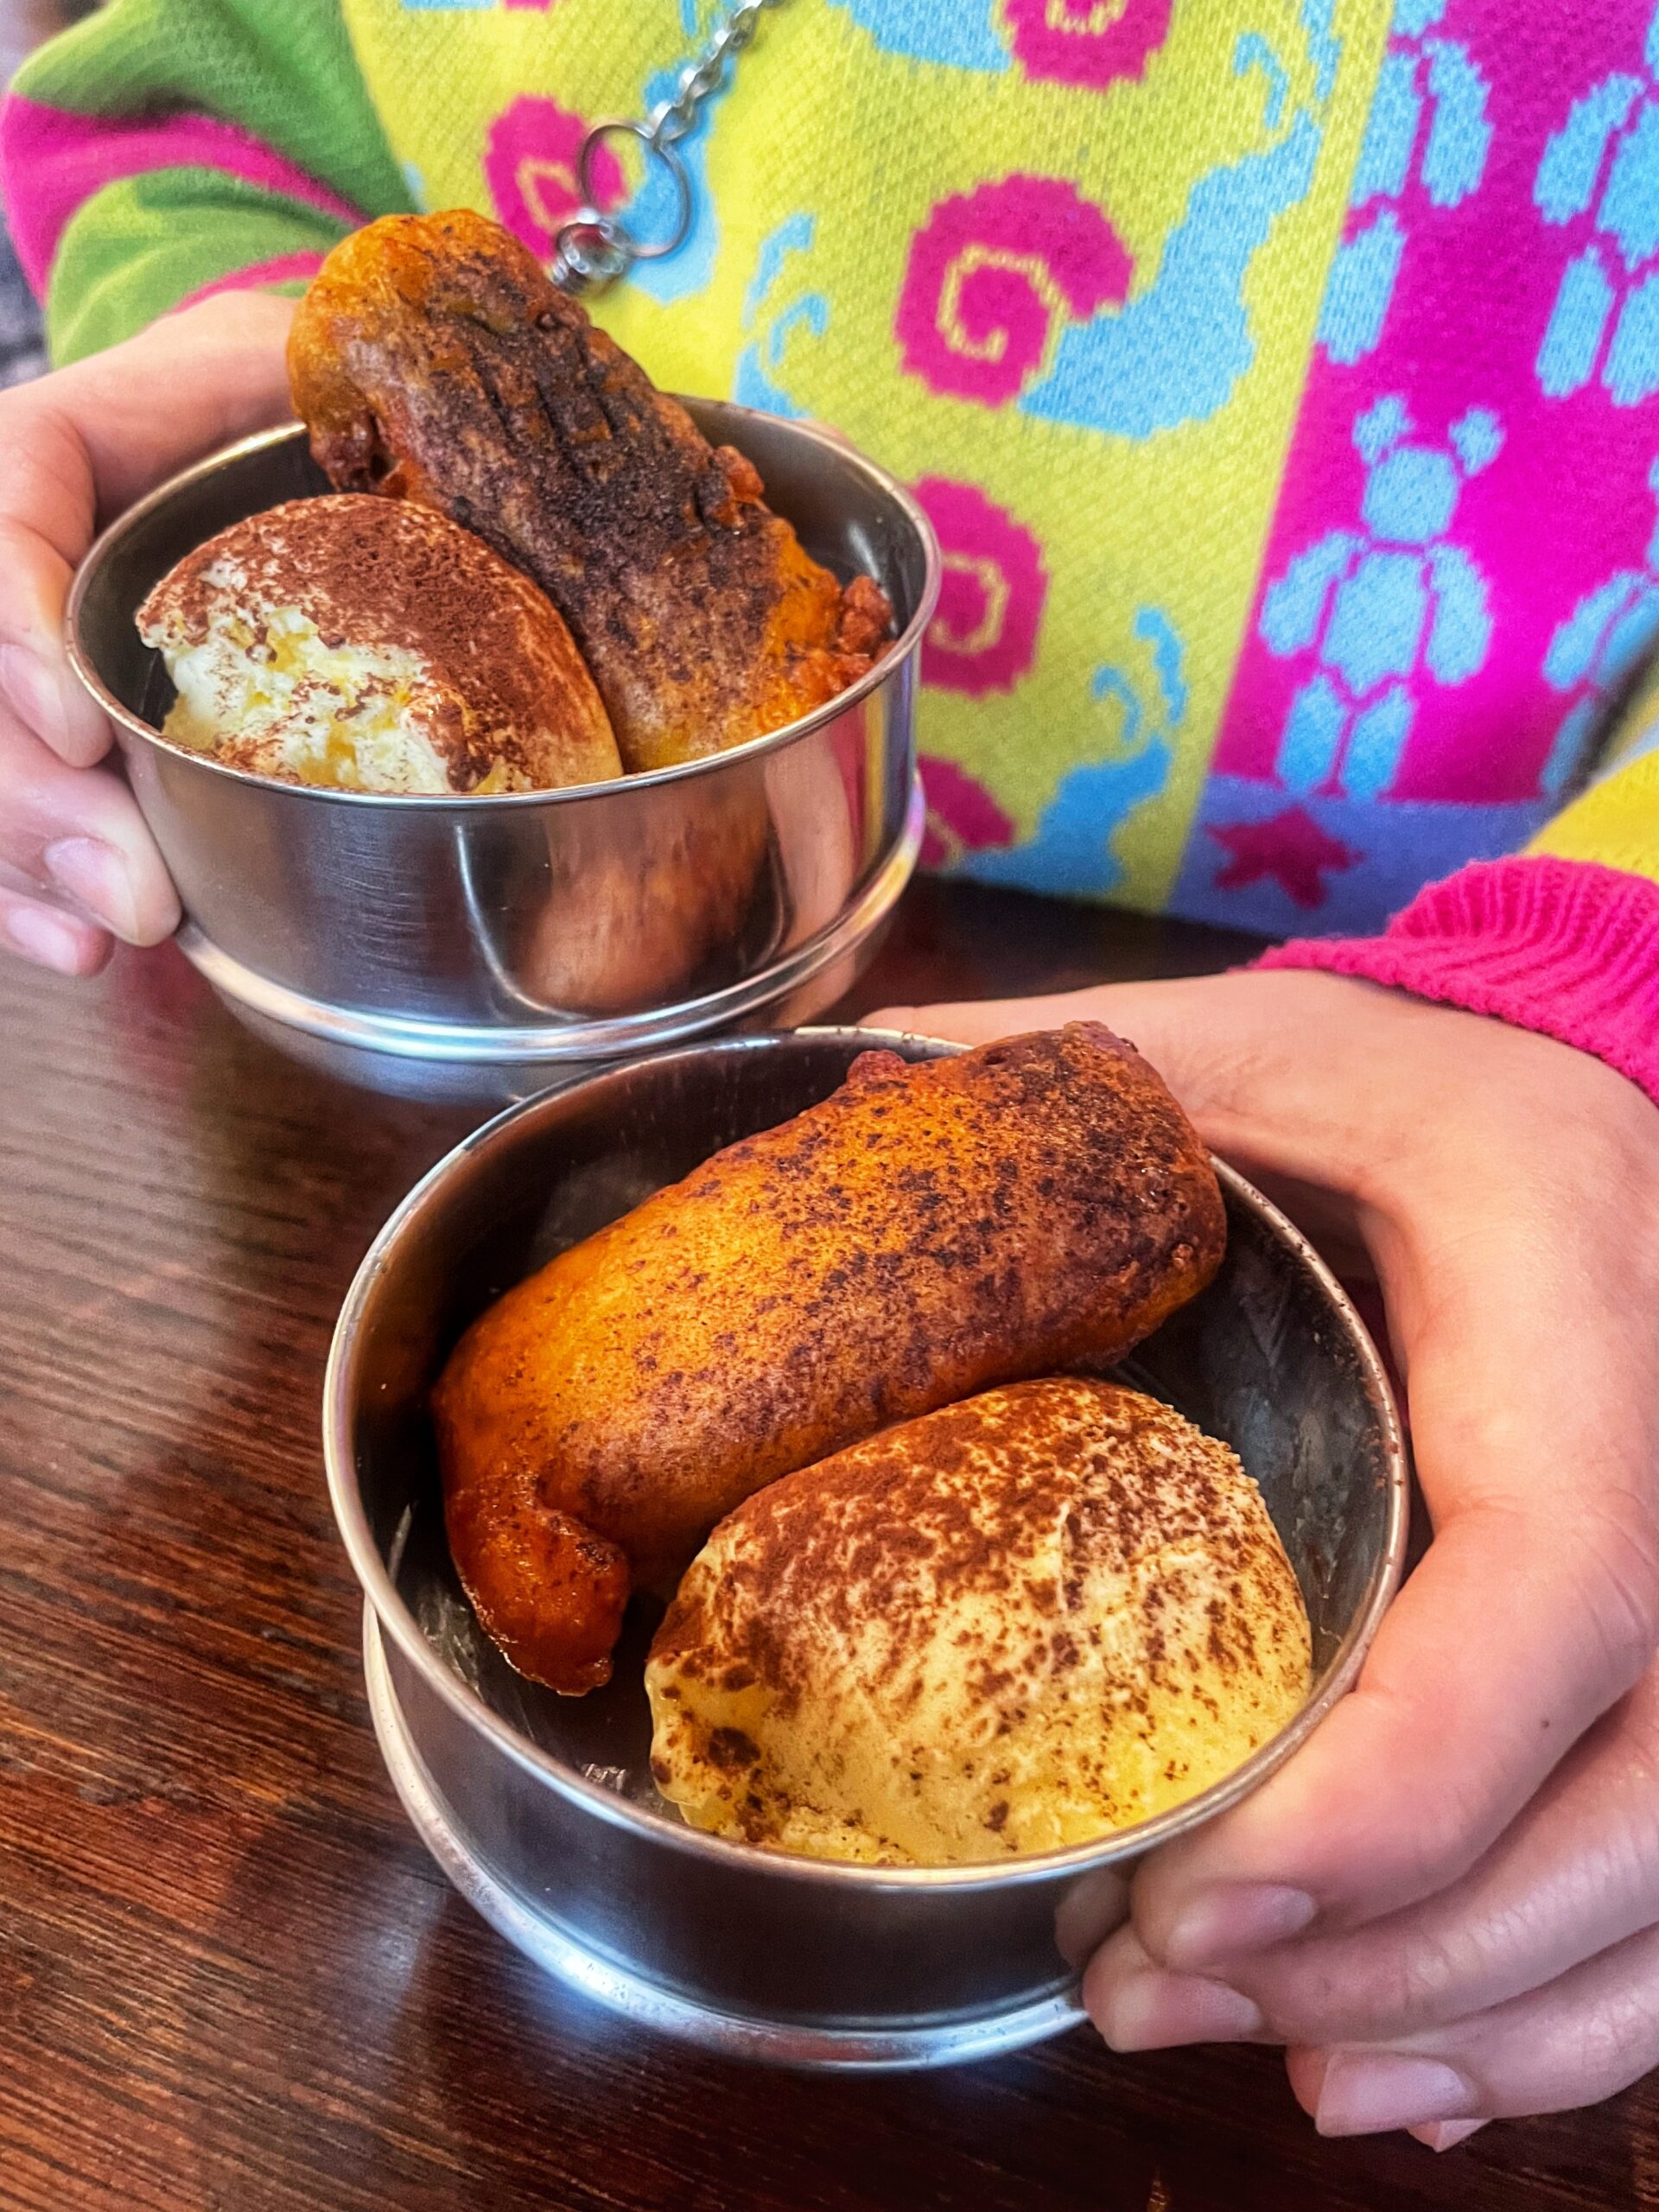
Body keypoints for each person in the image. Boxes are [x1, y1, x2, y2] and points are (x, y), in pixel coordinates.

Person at [3, 0, 1659, 2149]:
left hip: (1445, 1080)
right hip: (339, 1059)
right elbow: (194, 94)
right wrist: (204, 337)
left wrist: (1598, 978)